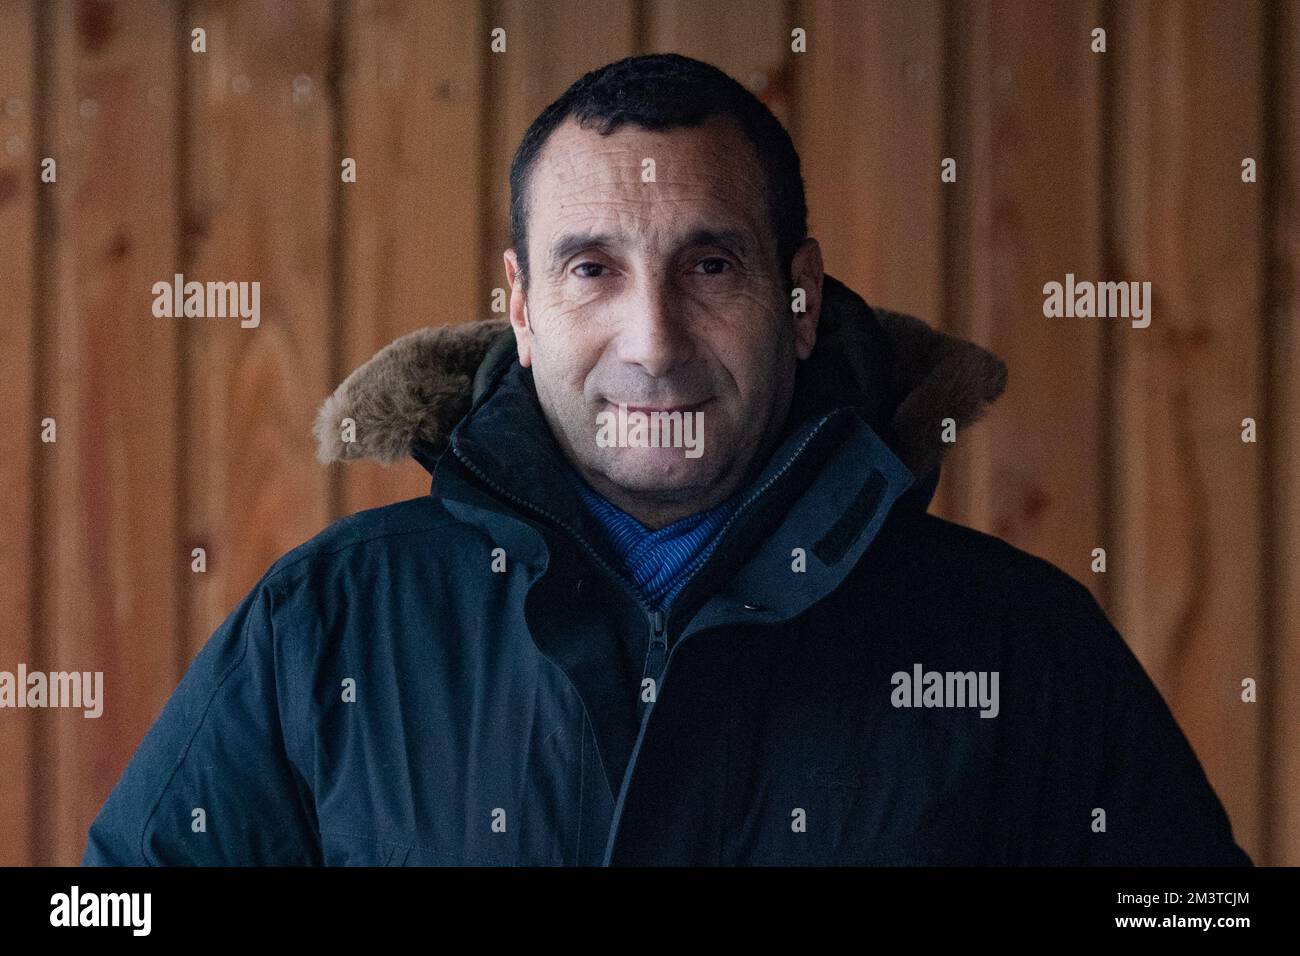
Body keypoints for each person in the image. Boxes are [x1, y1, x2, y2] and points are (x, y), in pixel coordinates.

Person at [83, 52, 1251, 866]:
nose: (652, 342)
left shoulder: (1017, 646)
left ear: (798, 297)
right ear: (523, 304)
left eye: (709, 266)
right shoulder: (327, 624)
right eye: (592, 268)